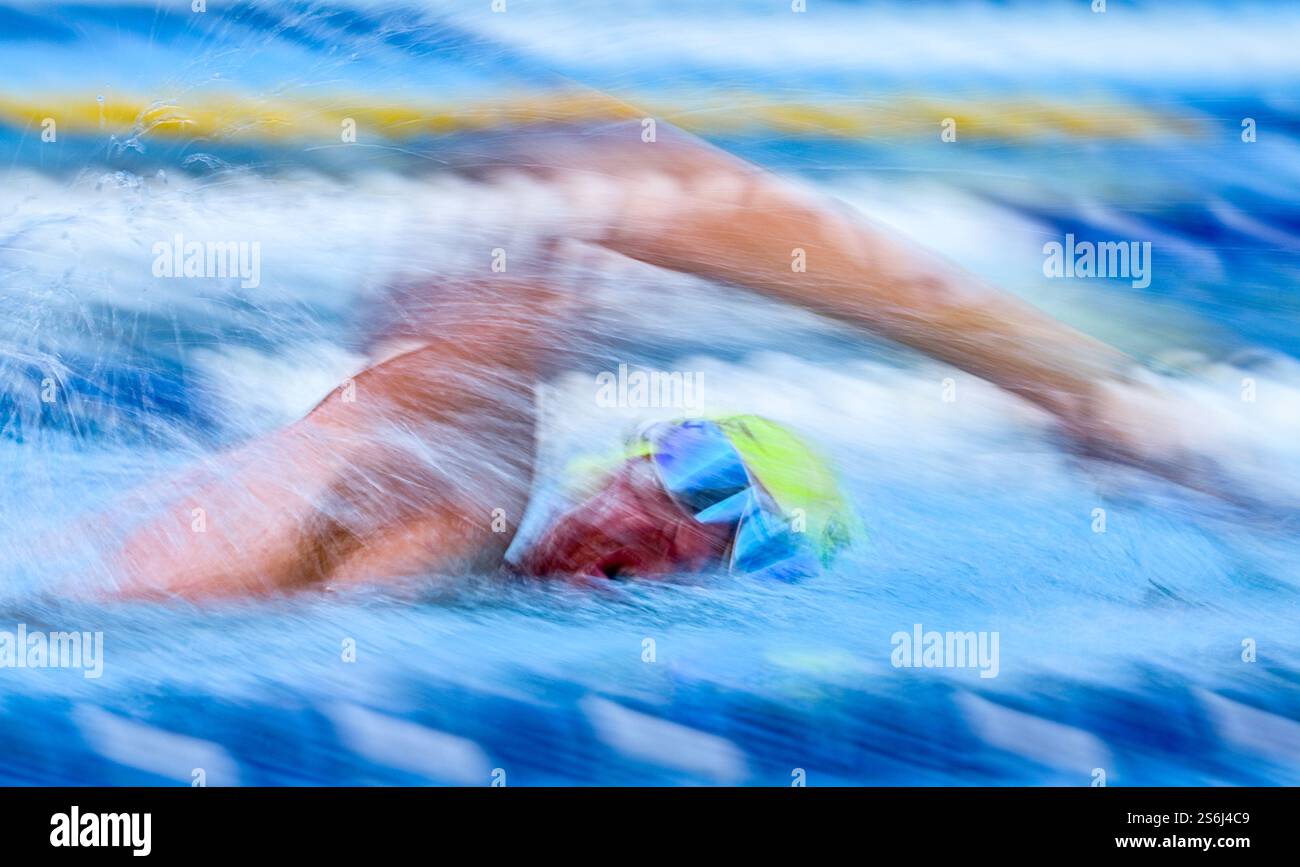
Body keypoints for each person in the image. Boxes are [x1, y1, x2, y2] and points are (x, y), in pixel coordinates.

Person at [102, 121, 1234, 599]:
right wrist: (1069, 385)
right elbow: (579, 168)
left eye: (738, 522)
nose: (668, 506)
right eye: (688, 459)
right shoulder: (455, 471)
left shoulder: (460, 581)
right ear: (620, 459)